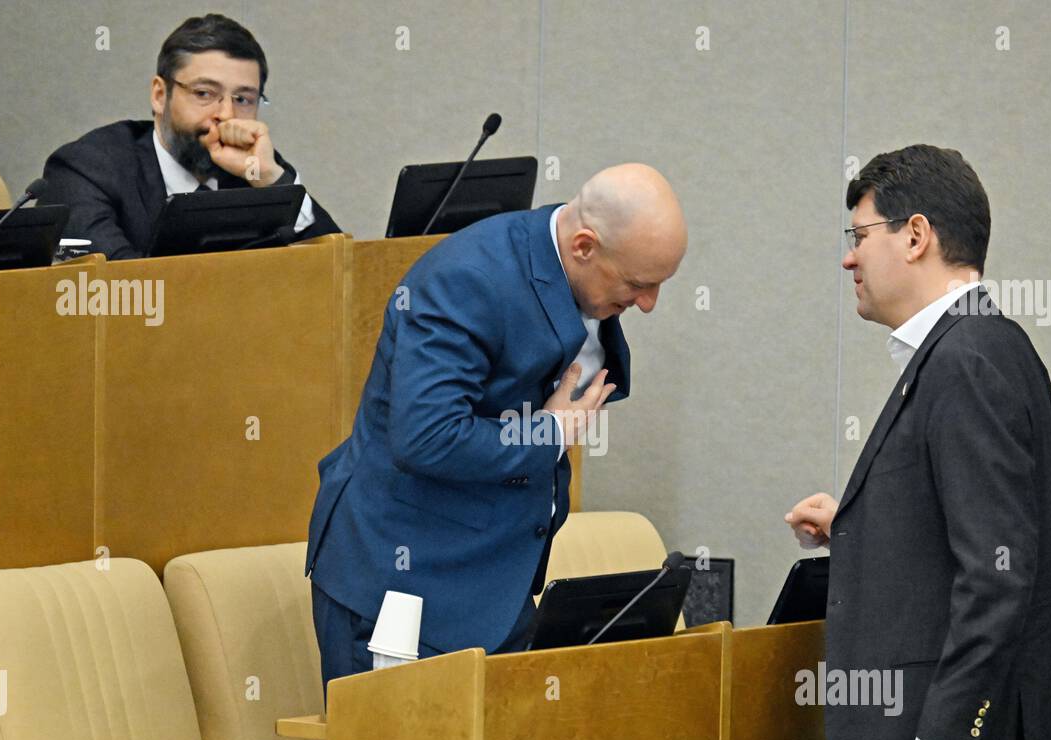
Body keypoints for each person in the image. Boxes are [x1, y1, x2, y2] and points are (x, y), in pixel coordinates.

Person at [785, 144, 1051, 740]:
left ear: (915, 236)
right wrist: (864, 524)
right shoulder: (989, 346)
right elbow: (1040, 520)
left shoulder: (966, 359)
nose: (849, 261)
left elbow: (1001, 572)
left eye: (859, 238)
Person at [306, 164, 687, 685]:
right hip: (405, 586)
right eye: (638, 285)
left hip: (497, 584)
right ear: (583, 246)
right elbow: (427, 437)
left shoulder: (580, 266)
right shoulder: (466, 281)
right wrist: (547, 433)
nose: (647, 305)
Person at [40, 13, 339, 259]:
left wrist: (274, 181)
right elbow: (122, 285)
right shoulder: (88, 168)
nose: (226, 115)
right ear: (160, 95)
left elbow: (338, 268)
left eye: (243, 99)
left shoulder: (253, 170)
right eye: (205, 93)